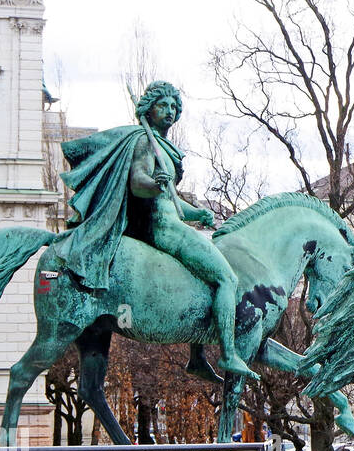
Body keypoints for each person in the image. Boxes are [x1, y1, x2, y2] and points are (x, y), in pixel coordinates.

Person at [56, 81, 259, 381]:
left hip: (173, 222)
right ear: (148, 108)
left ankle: (198, 357)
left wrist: (197, 212)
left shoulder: (163, 148)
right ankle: (228, 355)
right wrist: (153, 184)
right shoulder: (143, 142)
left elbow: (172, 203)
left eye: (174, 107)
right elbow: (139, 181)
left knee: (202, 284)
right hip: (166, 231)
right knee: (226, 278)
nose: (170, 111)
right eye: (163, 105)